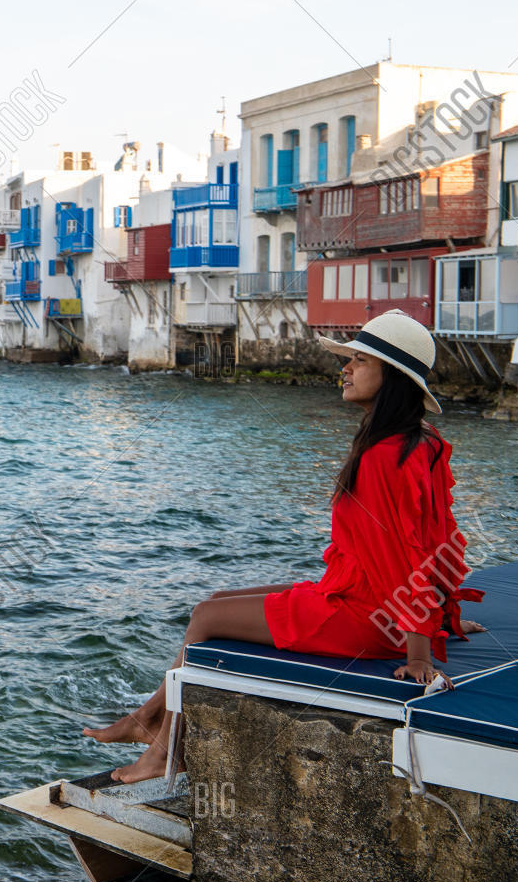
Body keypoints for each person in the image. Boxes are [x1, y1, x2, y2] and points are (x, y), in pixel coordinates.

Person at [84, 310, 486, 784]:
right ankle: (150, 719)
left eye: (359, 361)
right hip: (369, 601)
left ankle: (164, 750)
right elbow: (442, 538)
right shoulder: (422, 442)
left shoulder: (383, 456)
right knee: (215, 603)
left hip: (368, 617)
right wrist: (445, 615)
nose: (346, 368)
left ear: (393, 377)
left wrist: (419, 653)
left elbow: (411, 555)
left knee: (206, 618)